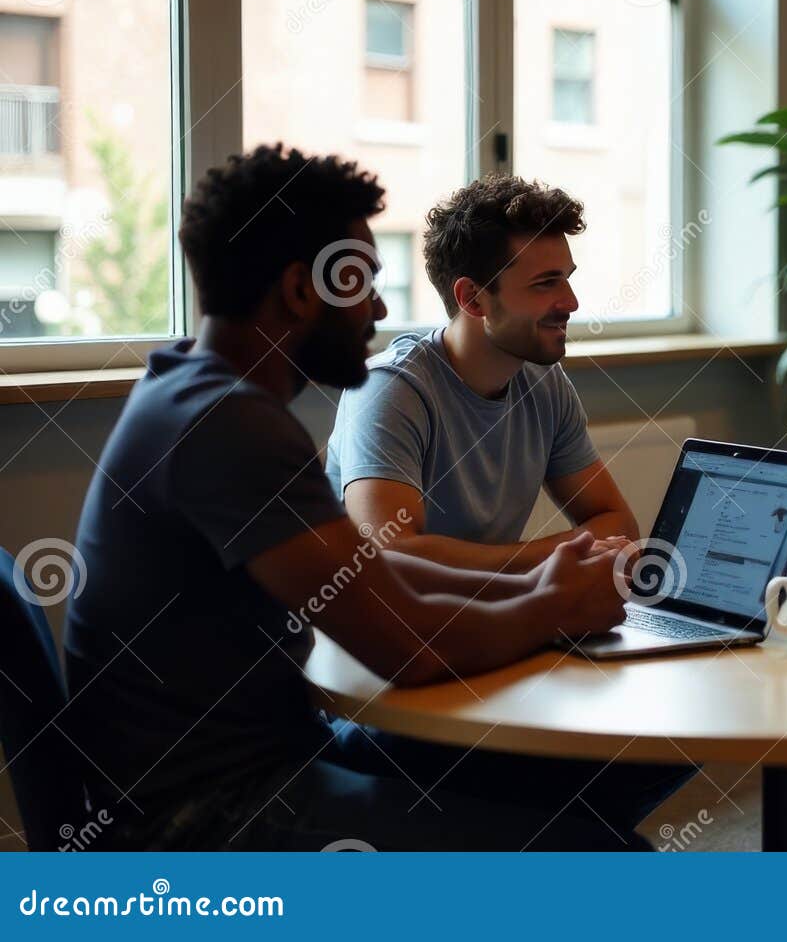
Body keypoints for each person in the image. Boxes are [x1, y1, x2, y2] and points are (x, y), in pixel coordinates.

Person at [62, 144, 646, 850]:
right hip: (207, 819)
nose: (377, 307)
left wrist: (542, 587)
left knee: (579, 788)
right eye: (362, 282)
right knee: (603, 856)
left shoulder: (194, 391)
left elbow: (377, 572)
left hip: (279, 758)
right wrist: (551, 603)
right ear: (301, 291)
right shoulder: (231, 426)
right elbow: (407, 649)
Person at [323, 173, 693, 832]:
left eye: (568, 277)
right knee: (580, 806)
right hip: (386, 689)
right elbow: (389, 555)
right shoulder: (393, 394)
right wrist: (556, 572)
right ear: (472, 297)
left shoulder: (543, 385)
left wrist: (554, 579)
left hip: (499, 651)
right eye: (545, 284)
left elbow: (616, 522)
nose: (571, 301)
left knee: (677, 735)